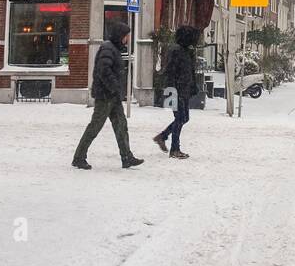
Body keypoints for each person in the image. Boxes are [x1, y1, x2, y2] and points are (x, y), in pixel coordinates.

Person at [72, 21, 143, 170]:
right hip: (105, 96)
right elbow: (103, 70)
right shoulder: (108, 49)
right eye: (127, 36)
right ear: (121, 36)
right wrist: (114, 87)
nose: (128, 39)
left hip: (112, 96)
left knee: (121, 125)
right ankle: (79, 157)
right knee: (95, 127)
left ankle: (126, 157)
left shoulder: (113, 49)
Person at [154, 25, 200, 160]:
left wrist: (193, 86)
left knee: (184, 118)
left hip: (184, 90)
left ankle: (162, 137)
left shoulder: (187, 52)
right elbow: (170, 72)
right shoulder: (176, 51)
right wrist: (172, 91)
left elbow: (190, 72)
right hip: (175, 90)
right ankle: (174, 149)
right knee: (180, 118)